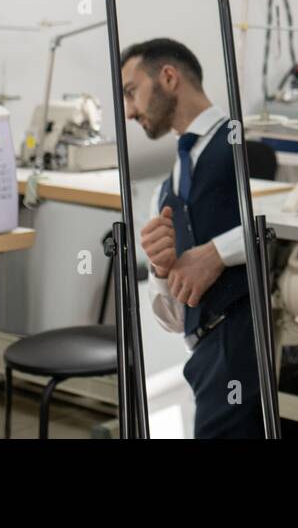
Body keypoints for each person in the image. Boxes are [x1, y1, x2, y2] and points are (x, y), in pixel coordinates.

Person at [122, 37, 264, 438]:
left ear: (168, 77)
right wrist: (161, 269)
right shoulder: (165, 190)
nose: (129, 112)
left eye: (132, 92)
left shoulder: (244, 144)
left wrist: (218, 253)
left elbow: (288, 223)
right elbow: (171, 317)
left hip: (244, 341)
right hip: (204, 357)